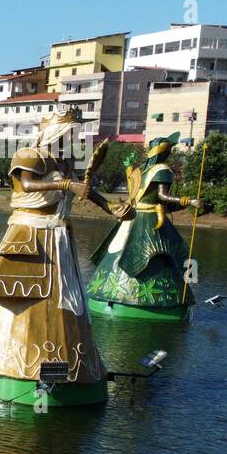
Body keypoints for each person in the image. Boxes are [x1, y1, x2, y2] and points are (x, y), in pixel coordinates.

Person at [0, 108, 124, 406]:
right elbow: (27, 184)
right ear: (55, 135)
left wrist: (111, 208)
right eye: (70, 134)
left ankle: (75, 370)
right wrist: (65, 184)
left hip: (59, 240)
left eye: (76, 135)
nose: (74, 140)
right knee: (16, 295)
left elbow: (85, 191)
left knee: (65, 300)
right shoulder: (29, 155)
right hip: (29, 236)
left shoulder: (65, 163)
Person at [86, 133, 201, 319]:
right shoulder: (162, 170)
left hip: (134, 218)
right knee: (181, 253)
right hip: (150, 221)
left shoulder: (145, 170)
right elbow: (163, 197)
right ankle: (169, 301)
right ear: (164, 153)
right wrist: (189, 200)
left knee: (121, 251)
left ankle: (107, 294)